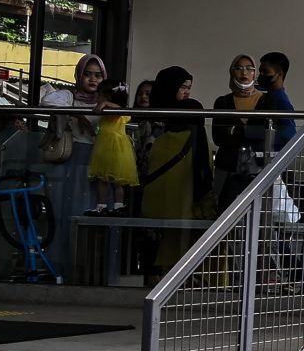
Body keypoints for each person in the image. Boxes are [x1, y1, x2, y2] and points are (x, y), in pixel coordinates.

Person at [141, 67, 213, 274]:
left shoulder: (187, 112)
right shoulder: (153, 118)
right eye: (182, 87)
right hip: (166, 198)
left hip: (166, 198)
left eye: (189, 87)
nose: (186, 92)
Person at [43, 53, 108, 264]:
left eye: (98, 75)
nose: (93, 79)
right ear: (78, 76)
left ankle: (84, 265)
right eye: (87, 74)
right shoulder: (68, 97)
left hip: (95, 162)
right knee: (63, 213)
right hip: (69, 161)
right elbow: (47, 101)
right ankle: (60, 264)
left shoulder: (106, 102)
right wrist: (78, 114)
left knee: (88, 211)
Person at [211, 53, 268, 210]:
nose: (244, 73)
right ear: (231, 72)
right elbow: (218, 137)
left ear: (255, 73)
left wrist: (236, 131)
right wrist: (251, 133)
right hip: (227, 169)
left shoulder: (266, 100)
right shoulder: (222, 102)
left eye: (249, 69)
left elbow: (267, 134)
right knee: (224, 214)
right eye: (239, 68)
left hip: (258, 169)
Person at [87, 85, 138, 213]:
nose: (98, 98)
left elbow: (119, 110)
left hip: (115, 148)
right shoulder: (105, 111)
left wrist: (105, 103)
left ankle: (118, 205)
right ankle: (102, 205)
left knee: (117, 181)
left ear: (108, 97)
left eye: (100, 95)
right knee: (102, 179)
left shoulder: (119, 111)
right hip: (105, 148)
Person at [257, 51, 297, 152]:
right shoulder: (266, 96)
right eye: (260, 71)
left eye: (266, 72)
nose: (261, 75)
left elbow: (289, 135)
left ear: (279, 74)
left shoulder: (281, 100)